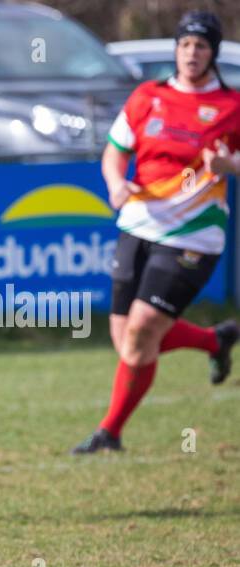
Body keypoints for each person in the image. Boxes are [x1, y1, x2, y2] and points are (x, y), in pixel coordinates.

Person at [72, 10, 239, 455]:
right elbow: (115, 151)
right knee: (127, 339)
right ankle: (214, 339)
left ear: (213, 54)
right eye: (185, 44)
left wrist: (229, 166)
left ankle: (109, 433)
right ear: (176, 50)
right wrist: (115, 183)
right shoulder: (148, 96)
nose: (191, 53)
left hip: (194, 234)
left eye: (201, 46)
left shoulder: (231, 107)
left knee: (143, 329)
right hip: (138, 223)